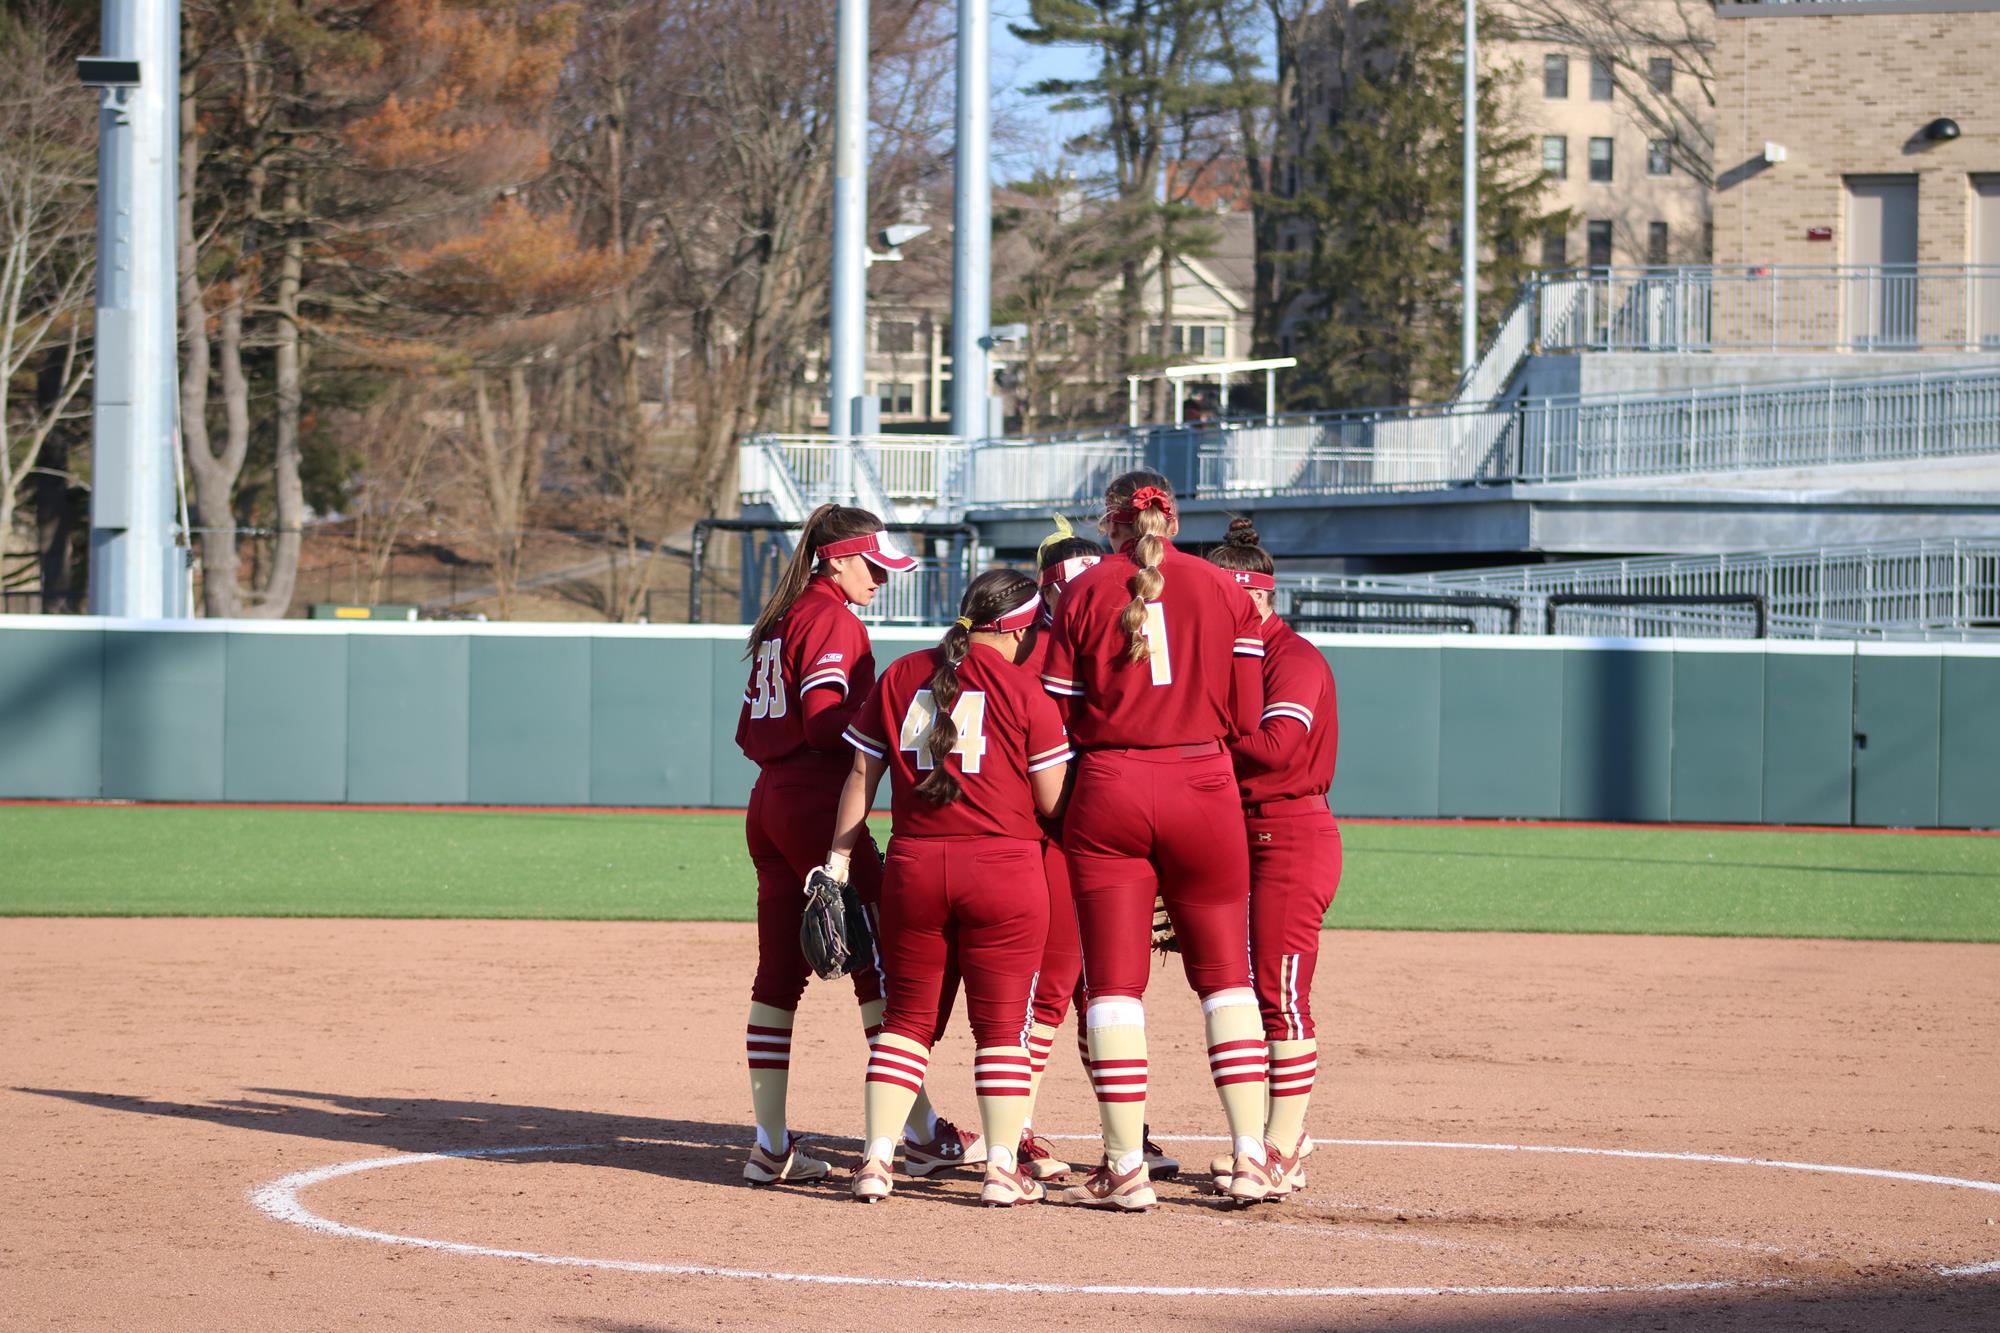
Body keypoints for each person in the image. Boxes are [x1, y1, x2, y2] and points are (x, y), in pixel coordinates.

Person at [1038, 470, 1274, 1210]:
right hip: (1204, 785)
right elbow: (1245, 715)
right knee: (1227, 979)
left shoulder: (1081, 592)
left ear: (1110, 521)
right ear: (1172, 518)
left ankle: (1123, 1167)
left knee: (1112, 985)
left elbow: (1057, 720)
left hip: (1109, 786)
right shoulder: (1223, 588)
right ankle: (1249, 1156)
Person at [734, 504, 980, 1186]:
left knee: (778, 976)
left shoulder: (787, 612)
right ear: (836, 559)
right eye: (871, 564)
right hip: (816, 803)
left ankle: (770, 1143)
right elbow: (822, 724)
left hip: (769, 803)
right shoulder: (832, 618)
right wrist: (896, 720)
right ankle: (922, 1128)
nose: (880, 576)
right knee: (877, 958)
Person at [826, 569, 1073, 1206]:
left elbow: (860, 775)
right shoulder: (1026, 691)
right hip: (1004, 871)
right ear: (1018, 629)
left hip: (915, 866)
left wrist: (838, 862)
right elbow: (1052, 801)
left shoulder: (904, 674)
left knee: (906, 1022)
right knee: (998, 1031)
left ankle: (877, 1162)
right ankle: (998, 1170)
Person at [1013, 518, 1181, 1186]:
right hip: (1048, 839)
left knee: (1099, 991)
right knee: (1053, 989)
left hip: (1100, 839)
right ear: (1051, 588)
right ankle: (1014, 1128)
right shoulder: (1033, 651)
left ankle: (1124, 1128)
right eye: (1073, 579)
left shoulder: (1116, 644)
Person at [1206, 517, 1341, 1199]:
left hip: (1291, 835)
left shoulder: (1295, 658)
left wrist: (1198, 742)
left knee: (1280, 995)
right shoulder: (1223, 654)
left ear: (1258, 596)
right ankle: (1261, 1138)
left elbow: (1278, 747)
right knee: (1238, 993)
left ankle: (1281, 1146)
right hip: (1236, 833)